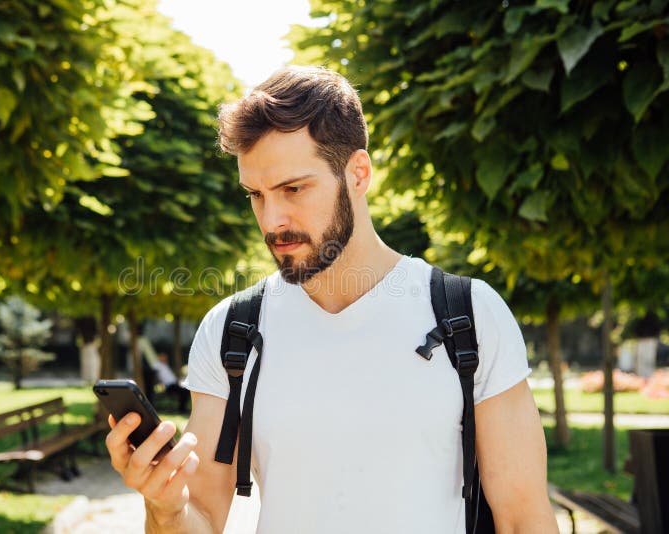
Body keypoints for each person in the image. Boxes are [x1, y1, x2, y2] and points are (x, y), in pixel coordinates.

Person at [105, 66, 558, 533]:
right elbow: (199, 517)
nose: (272, 219)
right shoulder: (232, 331)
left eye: (293, 188)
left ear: (358, 173)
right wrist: (166, 508)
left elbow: (525, 520)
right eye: (256, 195)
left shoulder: (469, 316)